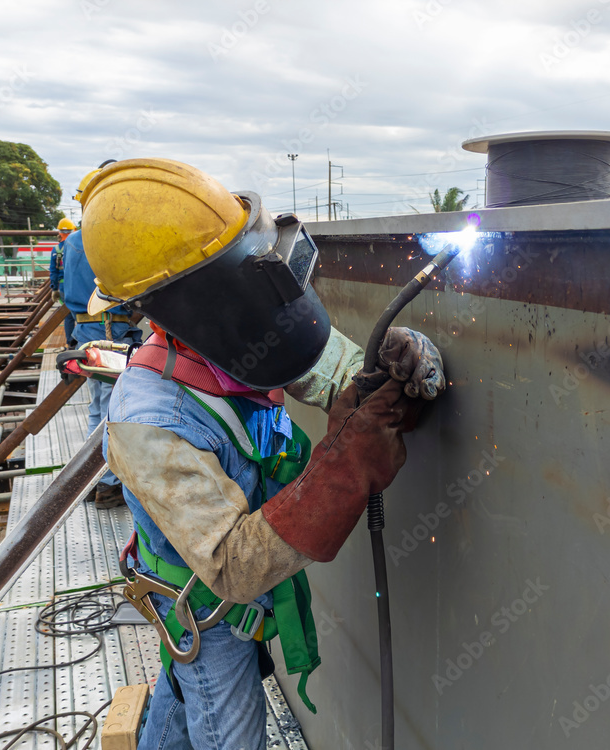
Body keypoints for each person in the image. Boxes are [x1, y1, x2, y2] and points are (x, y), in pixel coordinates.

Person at [78, 158, 445, 749]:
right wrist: (346, 463)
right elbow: (232, 566)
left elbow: (344, 378)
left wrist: (398, 365)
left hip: (224, 588)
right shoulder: (147, 421)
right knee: (229, 728)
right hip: (206, 608)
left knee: (178, 692)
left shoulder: (236, 340)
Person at [66, 166, 142, 508]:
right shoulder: (111, 237)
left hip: (85, 331)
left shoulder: (71, 241)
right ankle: (108, 484)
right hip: (109, 332)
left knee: (98, 410)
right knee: (116, 411)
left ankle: (93, 479)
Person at [50, 217, 77, 346]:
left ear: (59, 232)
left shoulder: (56, 250)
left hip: (63, 286)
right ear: (73, 231)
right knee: (82, 312)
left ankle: (70, 343)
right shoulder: (77, 248)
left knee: (68, 315)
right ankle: (83, 341)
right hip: (77, 284)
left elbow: (53, 271)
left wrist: (54, 288)